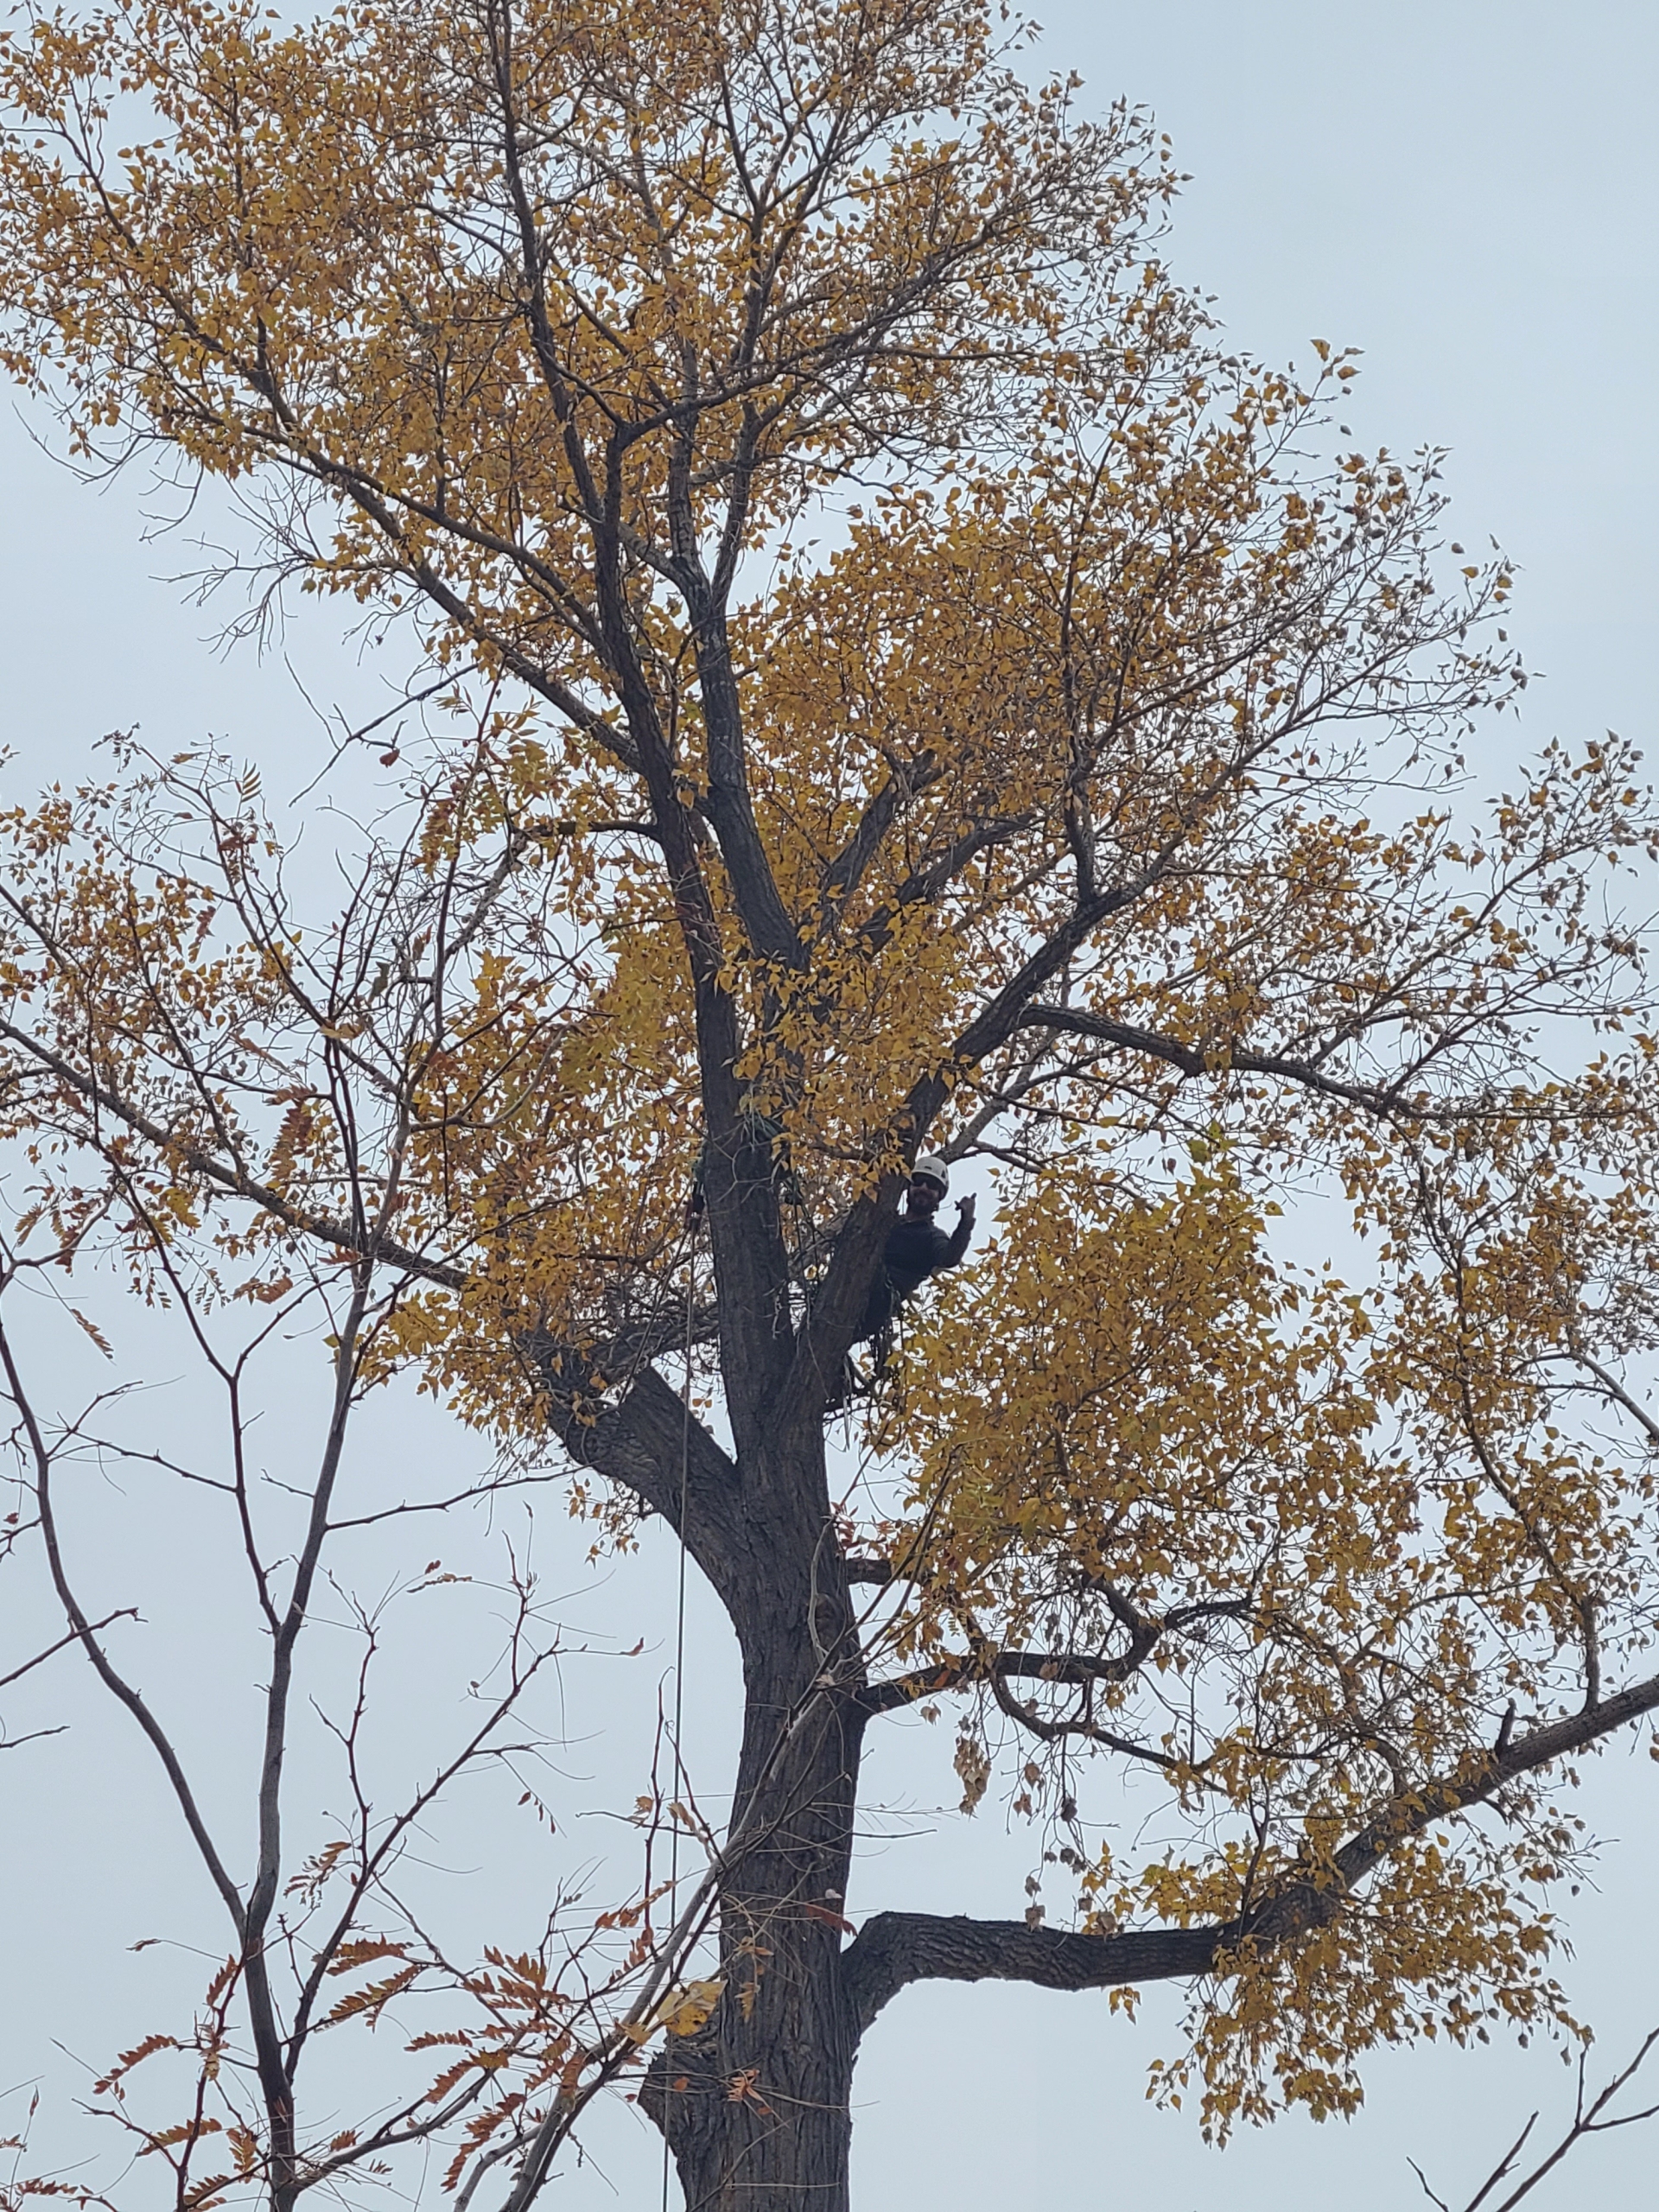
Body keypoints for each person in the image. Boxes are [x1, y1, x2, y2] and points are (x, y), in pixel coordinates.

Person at [856, 1155, 976, 1344]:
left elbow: (949, 1257)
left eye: (932, 1186)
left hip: (878, 1303)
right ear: (908, 1188)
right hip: (849, 1288)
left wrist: (965, 1223)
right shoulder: (886, 1222)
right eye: (919, 1182)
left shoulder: (931, 1237)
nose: (924, 1189)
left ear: (939, 1197)